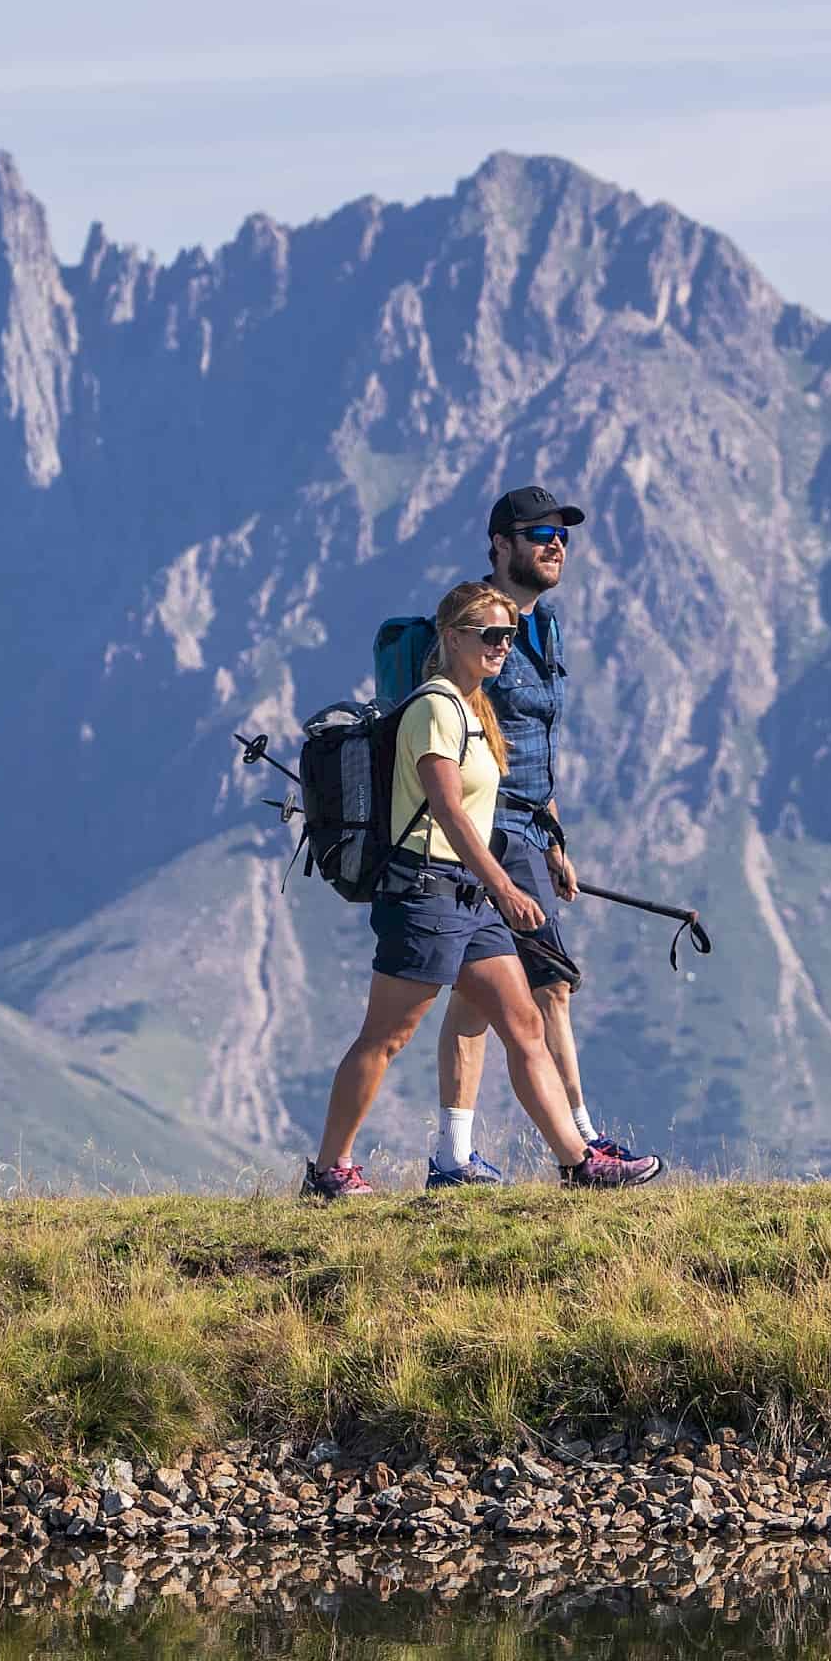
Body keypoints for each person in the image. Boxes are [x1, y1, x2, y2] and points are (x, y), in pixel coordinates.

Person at [301, 580, 661, 1197]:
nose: (502, 646)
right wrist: (507, 888)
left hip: (468, 896)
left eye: (509, 635)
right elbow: (447, 809)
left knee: (523, 1023)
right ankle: (331, 1171)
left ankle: (580, 1164)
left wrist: (543, 852)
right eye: (490, 635)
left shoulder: (476, 708)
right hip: (424, 894)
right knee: (386, 1036)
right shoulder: (436, 706)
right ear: (451, 638)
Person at [428, 487, 628, 1188]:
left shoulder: (544, 631)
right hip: (485, 831)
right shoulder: (470, 625)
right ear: (499, 545)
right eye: (538, 532)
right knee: (552, 986)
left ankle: (451, 1157)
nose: (555, 544)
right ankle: (585, 1140)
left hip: (525, 829)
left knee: (475, 1000)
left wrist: (555, 839)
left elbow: (537, 745)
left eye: (562, 534)